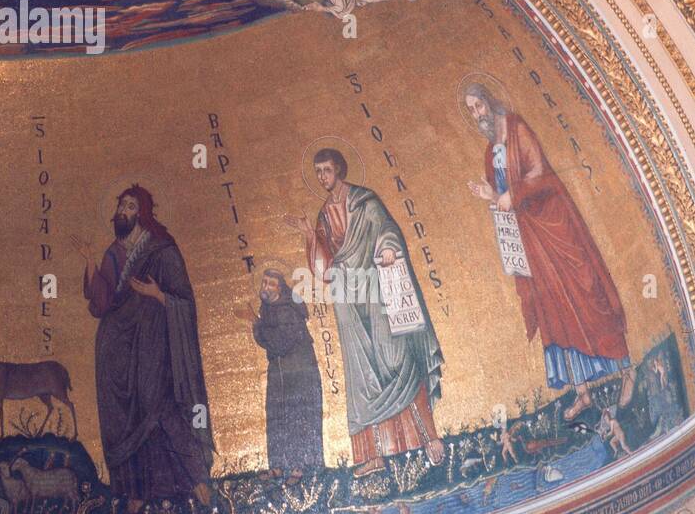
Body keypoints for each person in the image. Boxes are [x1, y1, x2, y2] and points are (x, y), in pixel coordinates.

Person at [464, 83, 631, 420]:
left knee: (587, 290)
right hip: (529, 237)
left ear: (490, 101)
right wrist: (492, 197)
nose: (477, 114)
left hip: (553, 223)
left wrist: (513, 193)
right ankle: (581, 389)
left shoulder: (517, 128)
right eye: (471, 110)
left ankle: (626, 367)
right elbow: (502, 198)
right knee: (554, 305)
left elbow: (540, 172)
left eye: (479, 105)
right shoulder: (489, 150)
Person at [287, 149, 444, 476]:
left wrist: (387, 247)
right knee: (361, 376)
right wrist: (308, 234)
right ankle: (373, 455)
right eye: (317, 172)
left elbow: (386, 229)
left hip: (375, 284)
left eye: (326, 170)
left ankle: (429, 438)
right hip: (346, 291)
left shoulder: (364, 200)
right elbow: (323, 271)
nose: (322, 177)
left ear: (339, 170)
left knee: (397, 356)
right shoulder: (324, 216)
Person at [75, 185, 213, 512]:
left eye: (130, 206)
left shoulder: (161, 249)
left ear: (143, 212)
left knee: (161, 404)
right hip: (118, 348)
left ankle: (197, 480)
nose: (123, 211)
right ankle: (135, 492)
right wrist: (90, 262)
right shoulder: (114, 252)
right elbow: (102, 303)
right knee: (129, 416)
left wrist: (158, 295)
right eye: (121, 205)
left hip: (155, 342)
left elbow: (185, 302)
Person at [241, 268, 322, 474]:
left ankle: (300, 467)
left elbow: (279, 343)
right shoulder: (268, 308)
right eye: (264, 282)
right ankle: (278, 466)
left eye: (271, 283)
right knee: (277, 416)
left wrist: (255, 321)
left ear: (280, 287)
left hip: (298, 373)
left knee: (298, 417)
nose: (265, 287)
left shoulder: (286, 308)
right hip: (280, 372)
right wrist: (258, 321)